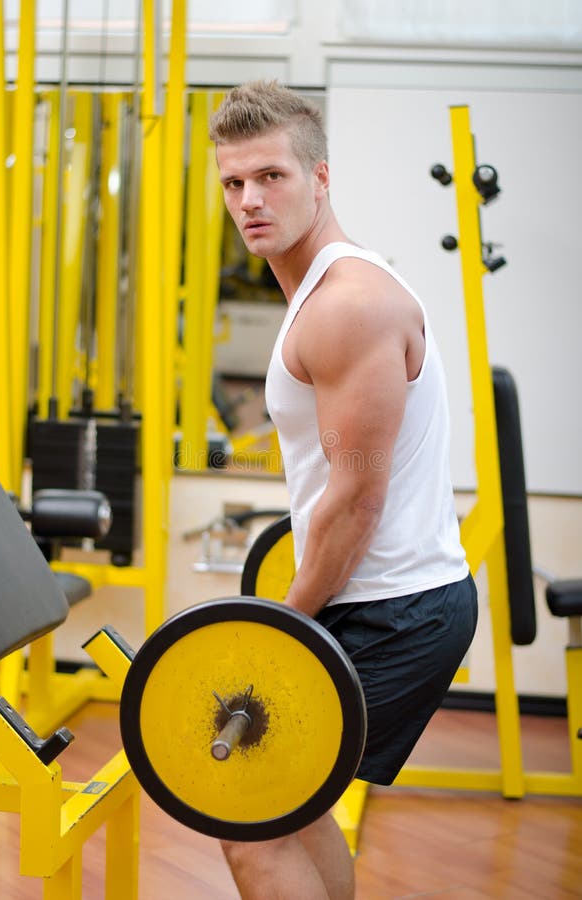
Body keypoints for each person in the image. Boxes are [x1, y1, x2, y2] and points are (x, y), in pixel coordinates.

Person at [209, 80, 477, 900]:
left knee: (251, 814)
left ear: (320, 178)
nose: (250, 200)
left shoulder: (348, 306)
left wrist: (285, 623)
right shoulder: (318, 295)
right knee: (291, 807)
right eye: (233, 183)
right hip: (384, 602)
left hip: (394, 611)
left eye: (272, 177)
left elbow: (357, 500)